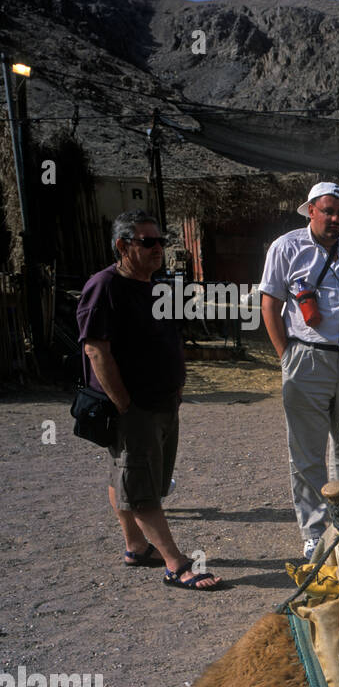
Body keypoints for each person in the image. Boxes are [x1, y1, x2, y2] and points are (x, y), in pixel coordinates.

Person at [77, 210, 222, 589]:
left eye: (160, 240)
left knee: (130, 474)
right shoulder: (104, 286)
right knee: (139, 484)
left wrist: (176, 383)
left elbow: (172, 338)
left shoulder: (157, 285)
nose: (158, 248)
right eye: (148, 242)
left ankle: (136, 547)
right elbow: (96, 350)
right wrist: (124, 403)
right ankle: (176, 564)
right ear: (123, 246)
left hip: (162, 402)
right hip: (134, 406)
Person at [259, 182, 339, 558]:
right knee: (307, 451)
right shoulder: (287, 247)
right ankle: (314, 530)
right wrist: (287, 356)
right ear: (310, 210)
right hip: (307, 361)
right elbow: (270, 304)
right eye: (327, 211)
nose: (335, 219)